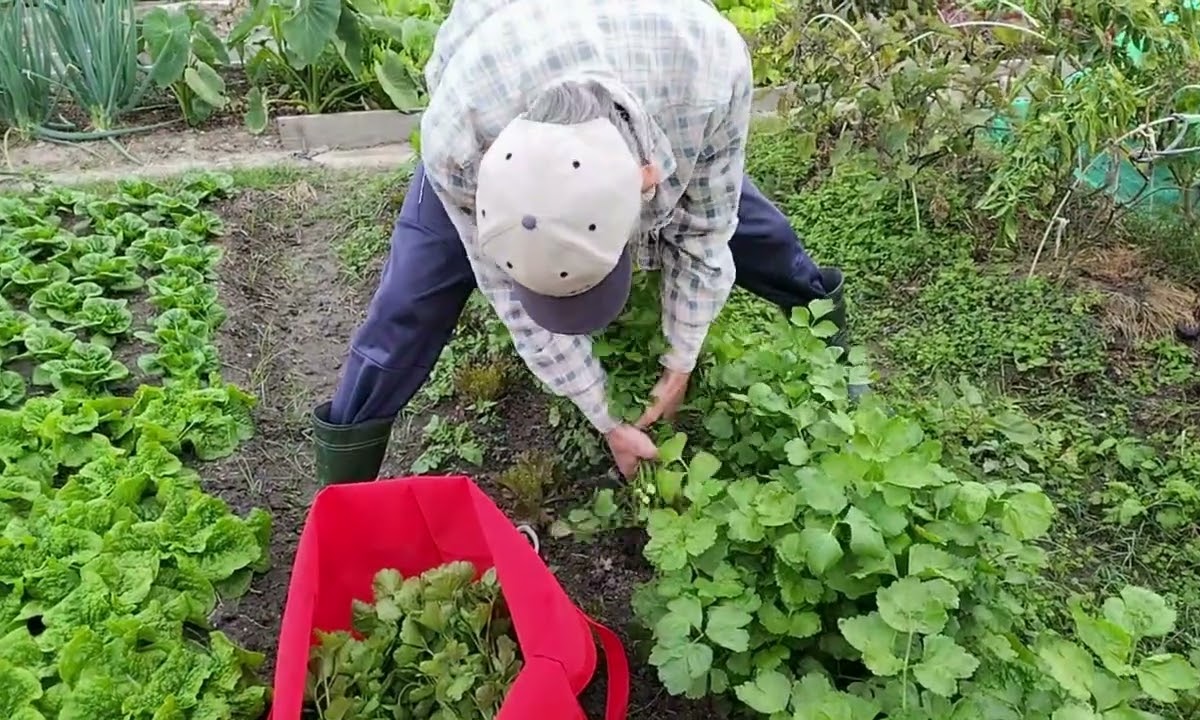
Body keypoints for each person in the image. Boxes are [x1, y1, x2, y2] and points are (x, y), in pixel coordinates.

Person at [310, 0, 867, 485]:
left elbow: (704, 231)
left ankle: (824, 320)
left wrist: (680, 362)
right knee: (414, 295)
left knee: (747, 230)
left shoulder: (705, 68)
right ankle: (344, 469)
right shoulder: (461, 141)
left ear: (647, 180)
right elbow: (511, 300)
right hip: (496, 68)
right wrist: (606, 416)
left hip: (656, 83)